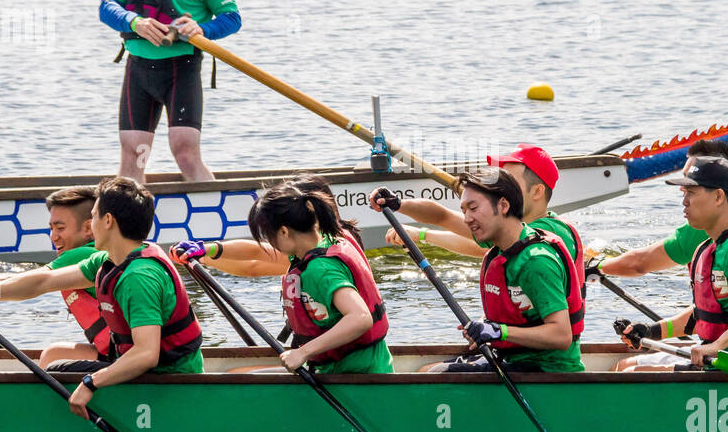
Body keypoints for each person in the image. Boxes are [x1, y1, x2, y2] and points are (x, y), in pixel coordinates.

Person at [0, 177, 203, 419]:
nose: (93, 224)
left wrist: (92, 382)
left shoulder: (139, 278)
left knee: (53, 374)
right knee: (54, 361)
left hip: (169, 380)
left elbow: (146, 354)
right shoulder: (107, 261)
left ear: (108, 221)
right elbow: (41, 283)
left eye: (94, 216)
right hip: (145, 370)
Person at [99, 0, 241, 183]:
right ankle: (127, 225)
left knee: (184, 151)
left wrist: (203, 29)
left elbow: (231, 18)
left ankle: (215, 215)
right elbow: (106, 7)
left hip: (181, 69)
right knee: (133, 156)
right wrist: (133, 21)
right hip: (139, 68)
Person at [614, 156, 728, 373]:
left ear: (718, 197)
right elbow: (709, 314)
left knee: (631, 374)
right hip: (718, 370)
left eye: (692, 193)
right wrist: (651, 331)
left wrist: (717, 346)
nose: (684, 202)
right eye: (684, 194)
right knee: (624, 368)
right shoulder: (714, 246)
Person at [410, 169, 584, 373]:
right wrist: (484, 328)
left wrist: (498, 332)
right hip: (512, 358)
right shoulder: (501, 251)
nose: (466, 219)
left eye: (473, 208)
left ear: (503, 205)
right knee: (425, 370)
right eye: (464, 211)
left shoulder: (536, 262)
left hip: (546, 369)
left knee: (432, 375)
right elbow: (441, 216)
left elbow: (561, 336)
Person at [371, 145, 585, 297]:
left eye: (510, 181)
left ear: (537, 191)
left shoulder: (544, 236)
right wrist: (398, 204)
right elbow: (443, 217)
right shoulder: (522, 227)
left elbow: (477, 247)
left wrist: (422, 235)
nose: (501, 188)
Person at [243, 181, 392, 375]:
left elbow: (361, 317)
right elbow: (254, 255)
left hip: (358, 374)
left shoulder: (320, 270)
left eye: (268, 236)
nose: (268, 242)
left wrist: (303, 352)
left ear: (284, 232)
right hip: (355, 365)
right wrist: (212, 250)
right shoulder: (327, 239)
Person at [0, 186, 111, 369]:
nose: (53, 237)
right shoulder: (98, 253)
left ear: (88, 228)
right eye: (51, 228)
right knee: (55, 353)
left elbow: (34, 283)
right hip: (118, 350)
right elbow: (19, 278)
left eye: (60, 228)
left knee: (52, 357)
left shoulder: (81, 255)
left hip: (122, 357)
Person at [588, 139, 728, 281]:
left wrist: (595, 265)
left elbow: (639, 264)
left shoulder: (709, 227)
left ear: (718, 195)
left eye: (691, 180)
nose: (682, 188)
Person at [170, 175, 363, 279]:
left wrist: (207, 249)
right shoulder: (334, 235)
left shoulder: (326, 247)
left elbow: (257, 254)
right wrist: (202, 259)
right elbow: (253, 268)